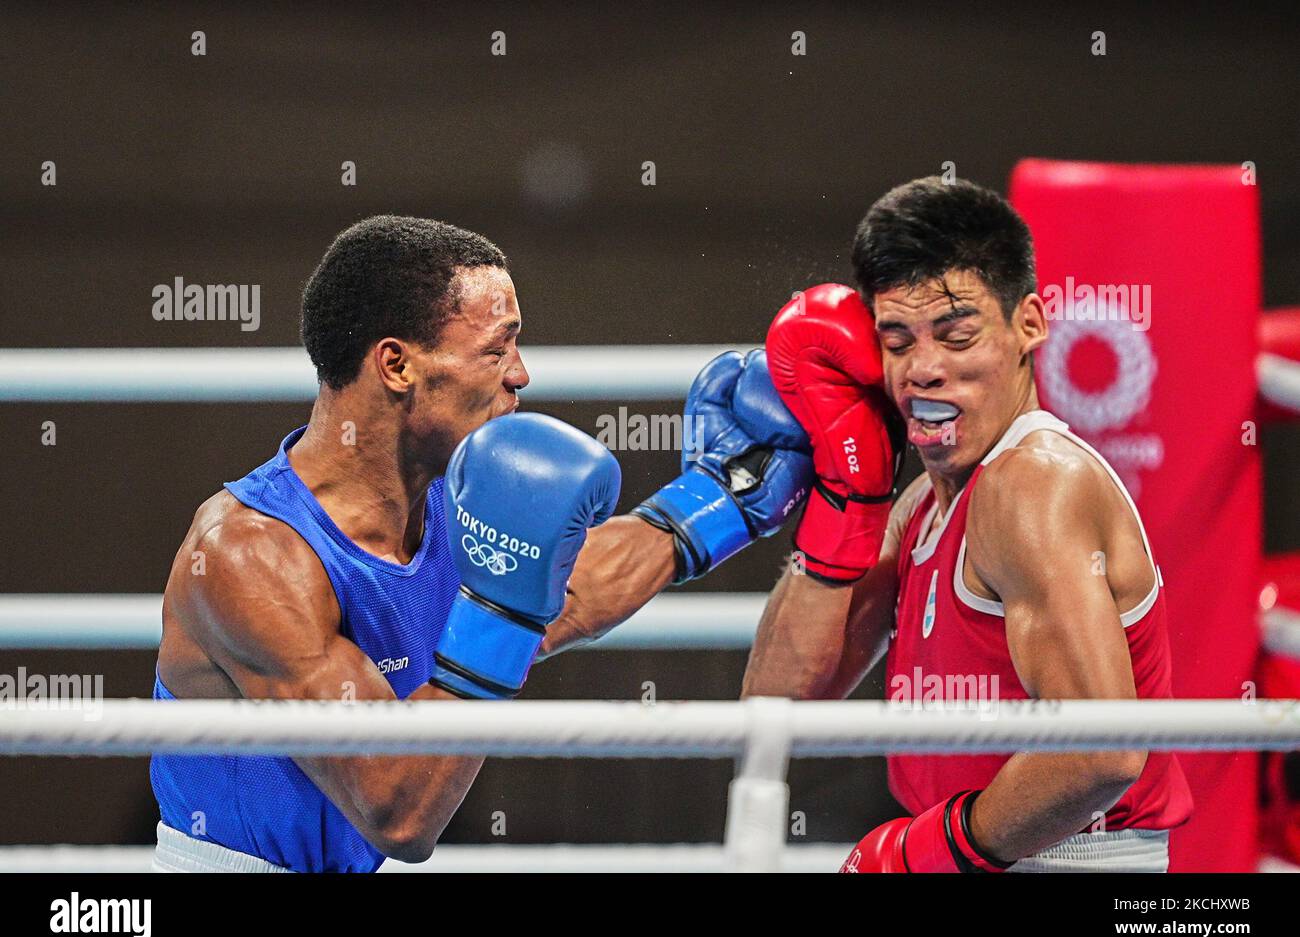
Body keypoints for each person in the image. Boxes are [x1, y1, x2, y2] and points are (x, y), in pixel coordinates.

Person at [150, 215, 811, 872]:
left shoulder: (446, 506)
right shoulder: (250, 554)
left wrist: (725, 499)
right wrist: (502, 613)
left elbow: (567, 591)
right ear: (397, 364)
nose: (520, 374)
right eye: (498, 349)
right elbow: (399, 812)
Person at [743, 177, 1193, 872]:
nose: (924, 369)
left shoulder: (1034, 482)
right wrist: (846, 496)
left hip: (1062, 857)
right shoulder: (919, 507)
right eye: (897, 341)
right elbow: (776, 709)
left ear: (1030, 326)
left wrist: (930, 850)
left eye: (957, 336)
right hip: (982, 851)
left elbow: (1103, 752)